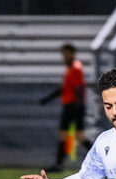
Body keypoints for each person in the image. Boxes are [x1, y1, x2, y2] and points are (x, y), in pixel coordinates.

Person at [39, 43, 91, 171]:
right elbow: (64, 88)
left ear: (72, 53)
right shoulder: (70, 68)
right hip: (73, 105)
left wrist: (77, 106)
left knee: (67, 135)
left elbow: (79, 88)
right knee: (78, 136)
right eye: (63, 54)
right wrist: (49, 98)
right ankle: (103, 161)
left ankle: (58, 164)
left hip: (72, 106)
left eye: (66, 53)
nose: (64, 56)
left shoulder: (75, 68)